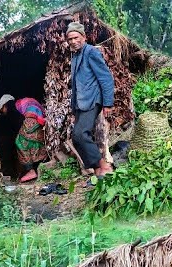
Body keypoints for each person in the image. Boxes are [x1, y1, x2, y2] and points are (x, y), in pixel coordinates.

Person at [65, 21, 115, 179]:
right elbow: (75, 85)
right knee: (77, 136)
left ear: (84, 37)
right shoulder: (75, 57)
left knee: (80, 134)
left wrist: (108, 103)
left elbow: (106, 78)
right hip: (81, 103)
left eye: (75, 37)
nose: (73, 41)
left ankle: (103, 165)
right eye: (70, 39)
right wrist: (74, 108)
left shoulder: (91, 52)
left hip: (93, 100)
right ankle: (98, 169)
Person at [0, 94, 47, 183]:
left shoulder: (11, 107)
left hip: (33, 116)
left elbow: (18, 123)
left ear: (4, 105)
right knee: (34, 141)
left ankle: (30, 170)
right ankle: (38, 166)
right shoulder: (18, 105)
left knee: (19, 141)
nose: (3, 113)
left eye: (2, 110)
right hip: (39, 116)